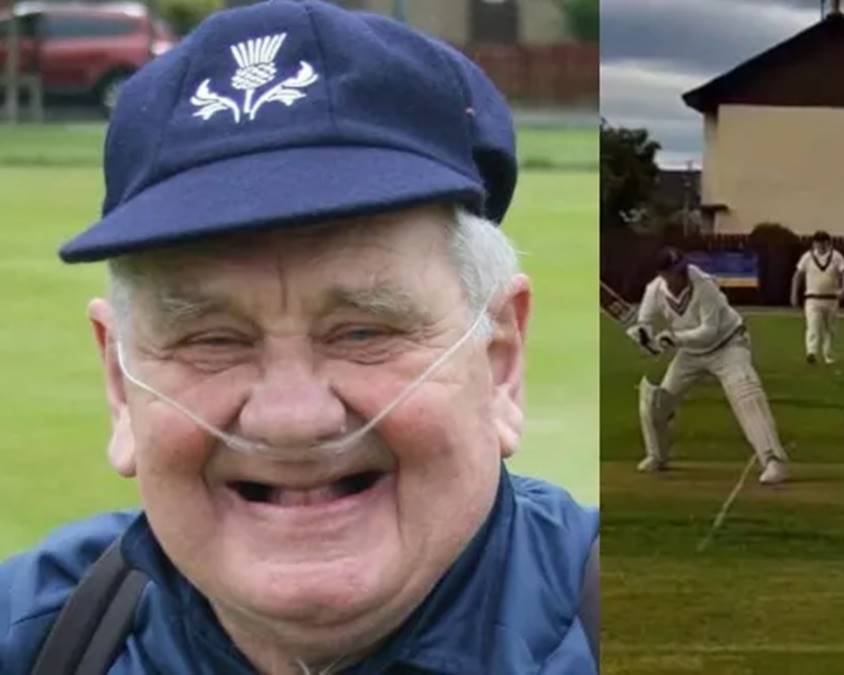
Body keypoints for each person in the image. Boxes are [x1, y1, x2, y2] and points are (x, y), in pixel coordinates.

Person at [0, 2, 600, 673]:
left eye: (364, 330)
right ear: (120, 382)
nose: (292, 419)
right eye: (212, 339)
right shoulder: (35, 635)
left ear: (501, 362)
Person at [628, 248, 790, 485]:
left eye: (682, 268)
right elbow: (644, 321)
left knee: (746, 394)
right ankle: (657, 455)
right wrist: (644, 335)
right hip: (690, 355)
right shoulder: (654, 291)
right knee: (656, 401)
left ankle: (773, 460)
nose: (682, 274)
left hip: (728, 345)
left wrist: (675, 338)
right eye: (675, 272)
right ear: (663, 274)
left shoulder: (704, 285)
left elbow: (709, 330)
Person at [790, 230, 844, 364]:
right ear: (814, 244)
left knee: (830, 328)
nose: (820, 246)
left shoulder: (836, 256)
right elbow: (797, 275)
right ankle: (811, 352)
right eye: (817, 243)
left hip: (831, 298)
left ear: (828, 243)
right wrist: (794, 294)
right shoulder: (807, 257)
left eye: (823, 243)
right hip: (812, 298)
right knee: (813, 326)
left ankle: (828, 355)